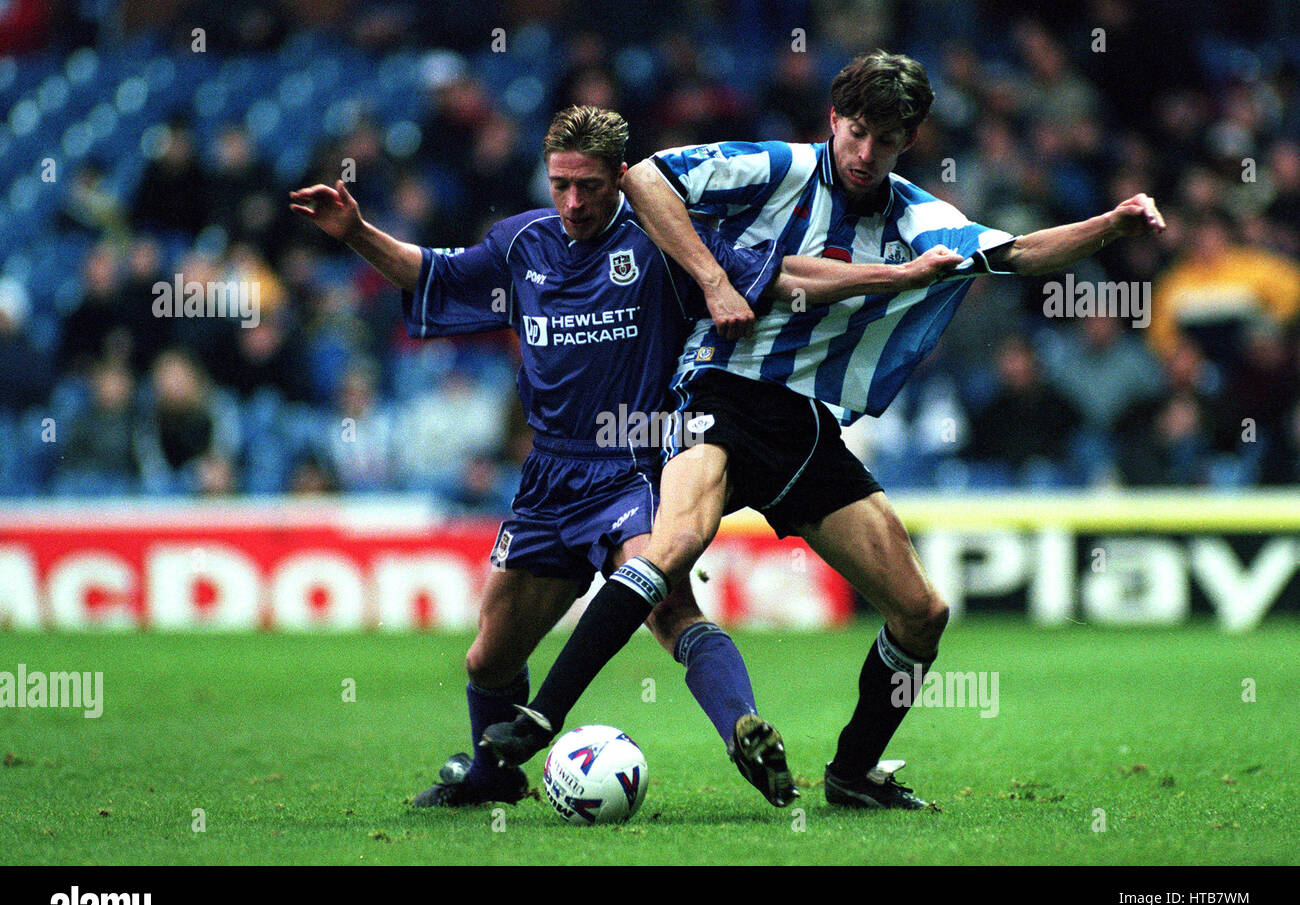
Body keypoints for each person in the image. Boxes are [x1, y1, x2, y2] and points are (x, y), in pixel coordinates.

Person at [484, 51, 1166, 810]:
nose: (867, 154)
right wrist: (713, 280)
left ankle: (851, 776)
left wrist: (1110, 224)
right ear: (835, 120)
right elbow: (643, 177)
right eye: (858, 132)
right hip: (715, 387)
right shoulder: (774, 168)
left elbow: (1017, 252)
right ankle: (544, 714)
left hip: (800, 425)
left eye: (888, 139)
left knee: (922, 612)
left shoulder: (915, 217)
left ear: (909, 141)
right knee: (672, 549)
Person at [290, 105, 946, 808]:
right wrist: (357, 232)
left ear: (622, 180)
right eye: (561, 183)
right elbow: (432, 274)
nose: (574, 201)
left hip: (635, 461)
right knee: (489, 657)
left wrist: (896, 278)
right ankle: (490, 780)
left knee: (667, 603)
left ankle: (743, 730)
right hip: (548, 474)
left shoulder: (666, 245)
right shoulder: (521, 245)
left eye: (591, 186)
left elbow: (784, 276)